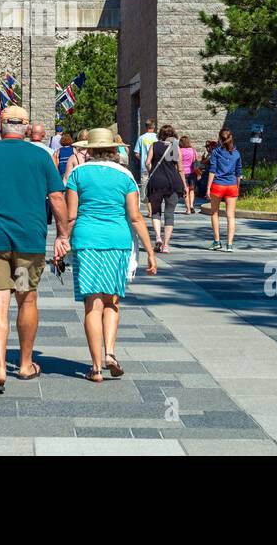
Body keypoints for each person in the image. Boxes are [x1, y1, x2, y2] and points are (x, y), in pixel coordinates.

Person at [0, 105, 67, 394]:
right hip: (28, 244)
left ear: (0, 126)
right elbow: (56, 197)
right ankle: (27, 364)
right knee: (26, 299)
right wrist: (62, 234)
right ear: (27, 127)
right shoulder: (41, 157)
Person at [56, 128, 156, 382]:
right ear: (113, 151)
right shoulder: (125, 176)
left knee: (93, 303)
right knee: (112, 300)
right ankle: (110, 352)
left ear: (88, 150)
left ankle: (96, 367)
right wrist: (151, 252)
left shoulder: (78, 174)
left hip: (86, 241)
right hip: (118, 241)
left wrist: (62, 241)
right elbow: (134, 216)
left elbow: (72, 215)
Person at [145, 125, 186, 253]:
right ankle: (166, 245)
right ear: (173, 134)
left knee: (156, 211)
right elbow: (180, 168)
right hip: (173, 182)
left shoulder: (154, 145)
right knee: (169, 213)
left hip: (156, 182)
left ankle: (158, 238)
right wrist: (184, 185)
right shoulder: (175, 147)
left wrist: (151, 172)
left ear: (160, 134)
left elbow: (147, 162)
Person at [206, 127, 242, 251]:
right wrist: (237, 187)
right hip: (232, 186)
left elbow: (212, 170)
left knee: (214, 213)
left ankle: (217, 241)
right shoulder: (236, 153)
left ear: (220, 139)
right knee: (231, 216)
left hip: (218, 185)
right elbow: (238, 173)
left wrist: (208, 188)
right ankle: (230, 244)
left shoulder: (216, 152)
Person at [133, 119, 157, 185]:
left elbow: (137, 154)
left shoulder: (141, 138)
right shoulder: (157, 137)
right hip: (156, 166)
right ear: (154, 126)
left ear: (145, 127)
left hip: (144, 166)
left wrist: (143, 159)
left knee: (144, 188)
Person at [179, 135, 197, 214]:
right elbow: (197, 159)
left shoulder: (180, 150)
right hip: (192, 172)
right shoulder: (193, 150)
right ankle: (192, 205)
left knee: (185, 190)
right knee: (192, 189)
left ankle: (188, 209)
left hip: (183, 173)